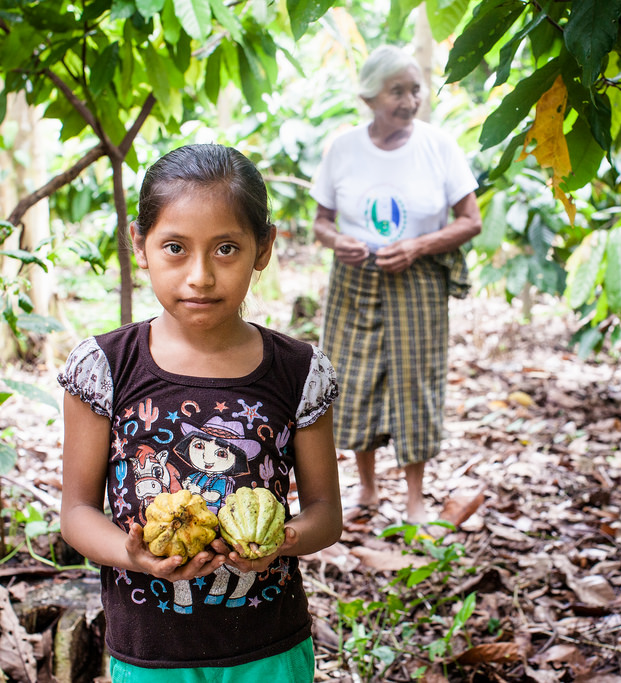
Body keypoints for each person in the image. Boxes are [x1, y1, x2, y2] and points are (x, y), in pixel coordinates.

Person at [58, 143, 342, 681]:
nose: (201, 276)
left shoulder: (299, 369)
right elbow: (76, 513)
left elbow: (327, 511)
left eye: (227, 249)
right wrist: (132, 553)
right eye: (175, 248)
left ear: (264, 247)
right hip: (150, 656)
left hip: (269, 652)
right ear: (139, 246)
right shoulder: (105, 366)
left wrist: (285, 540)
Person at [310, 45, 482, 524]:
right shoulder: (343, 149)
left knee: (415, 382)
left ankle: (413, 497)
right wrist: (336, 240)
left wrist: (418, 246)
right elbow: (320, 222)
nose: (410, 101)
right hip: (355, 279)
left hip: (417, 277)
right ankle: (366, 489)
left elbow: (471, 220)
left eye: (415, 90)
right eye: (397, 92)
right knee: (355, 380)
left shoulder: (439, 146)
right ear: (370, 97)